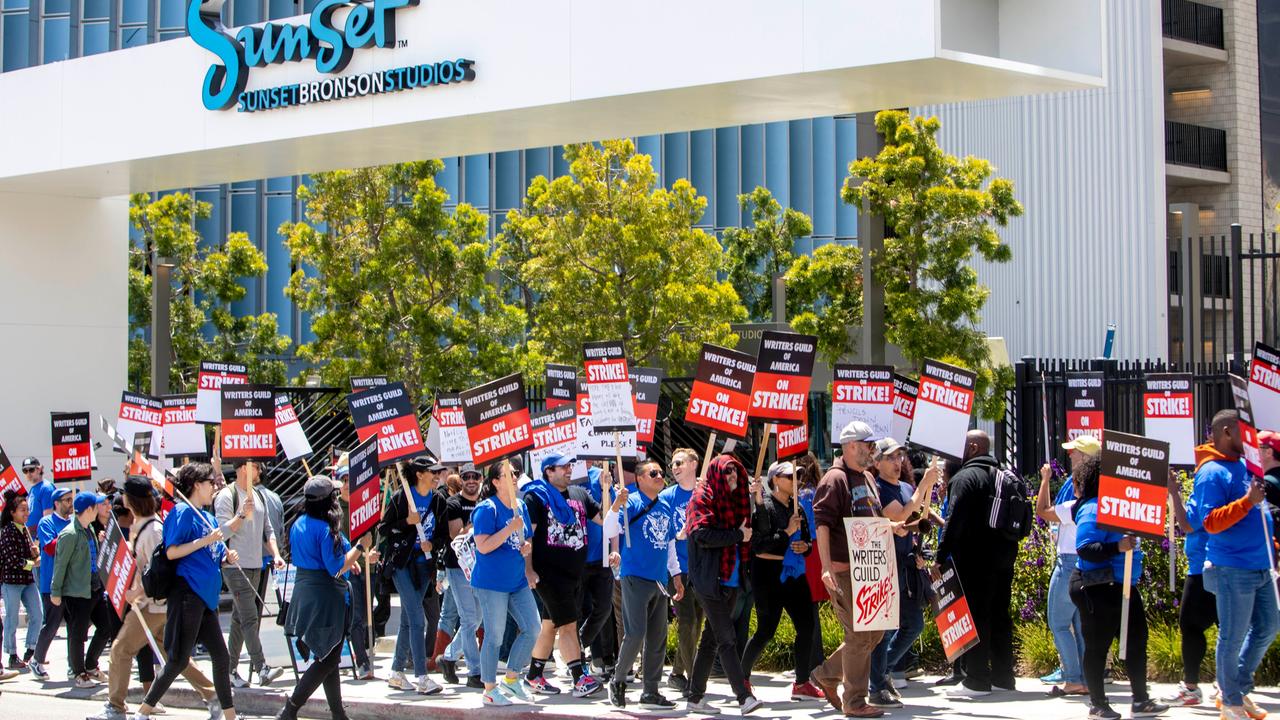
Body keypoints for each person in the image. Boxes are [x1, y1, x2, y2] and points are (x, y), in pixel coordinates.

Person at [89, 476, 221, 720]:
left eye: (125, 494)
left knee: (120, 650)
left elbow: (159, 572)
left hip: (153, 605)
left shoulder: (153, 530)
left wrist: (135, 592)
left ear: (132, 499)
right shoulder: (144, 525)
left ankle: (115, 707)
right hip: (154, 605)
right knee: (176, 657)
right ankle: (213, 696)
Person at [134, 462, 238, 720]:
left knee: (221, 658)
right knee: (178, 659)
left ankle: (231, 716)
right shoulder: (183, 511)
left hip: (206, 596)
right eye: (210, 483)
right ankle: (143, 711)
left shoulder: (209, 516)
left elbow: (209, 555)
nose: (214, 487)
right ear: (196, 485)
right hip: (187, 594)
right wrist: (206, 540)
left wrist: (226, 558)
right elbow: (172, 551)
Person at [1192, 409, 1279, 720]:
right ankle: (1230, 702)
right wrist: (1247, 502)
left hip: (1260, 565)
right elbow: (1210, 522)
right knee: (1232, 635)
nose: (1253, 439)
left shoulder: (1244, 466)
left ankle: (1236, 690)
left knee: (1269, 626)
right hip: (1232, 567)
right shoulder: (1210, 472)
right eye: (1246, 431)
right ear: (1227, 432)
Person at [1070, 455, 1167, 720]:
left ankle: (1140, 700)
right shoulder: (1093, 508)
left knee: (1137, 642)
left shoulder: (1123, 508)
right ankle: (1097, 705)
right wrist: (1117, 547)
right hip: (1097, 587)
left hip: (1123, 585)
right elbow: (1086, 548)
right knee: (1097, 646)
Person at [276, 476, 379, 720]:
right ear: (328, 500)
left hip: (306, 593)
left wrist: (351, 557)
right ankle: (289, 710)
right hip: (324, 596)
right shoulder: (324, 528)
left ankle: (338, 713)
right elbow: (335, 567)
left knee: (329, 654)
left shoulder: (299, 522)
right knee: (327, 659)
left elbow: (342, 550)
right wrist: (361, 548)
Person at [811, 421, 889, 718]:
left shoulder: (867, 477)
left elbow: (874, 519)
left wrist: (895, 527)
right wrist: (826, 567)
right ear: (852, 445)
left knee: (875, 633)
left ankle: (827, 674)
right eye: (869, 445)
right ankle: (854, 701)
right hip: (845, 571)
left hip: (870, 570)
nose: (873, 450)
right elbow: (822, 526)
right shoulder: (835, 479)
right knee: (859, 636)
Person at [936, 430, 1018, 699]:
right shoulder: (1005, 475)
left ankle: (977, 680)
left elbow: (953, 521)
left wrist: (939, 557)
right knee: (1000, 615)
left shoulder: (965, 477)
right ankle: (1004, 677)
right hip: (1004, 558)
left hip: (974, 560)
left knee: (977, 617)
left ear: (972, 448)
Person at [522, 453, 612, 698]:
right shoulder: (536, 497)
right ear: (549, 471)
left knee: (550, 625)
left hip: (574, 573)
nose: (569, 470)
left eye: (569, 465)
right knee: (568, 625)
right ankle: (579, 677)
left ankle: (533, 675)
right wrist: (528, 569)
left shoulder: (580, 494)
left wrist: (608, 491)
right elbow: (527, 537)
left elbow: (604, 519)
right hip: (548, 574)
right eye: (563, 467)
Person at [683, 453, 762, 715]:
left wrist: (756, 502)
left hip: (731, 580)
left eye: (735, 472)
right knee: (727, 639)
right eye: (727, 472)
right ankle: (744, 697)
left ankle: (694, 698)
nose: (732, 477)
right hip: (709, 580)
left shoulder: (736, 500)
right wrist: (738, 534)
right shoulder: (701, 498)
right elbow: (703, 535)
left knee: (711, 641)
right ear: (716, 472)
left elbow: (751, 531)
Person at [603, 458, 683, 710]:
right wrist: (616, 504)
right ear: (639, 478)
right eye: (654, 473)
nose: (660, 476)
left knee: (658, 636)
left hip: (659, 580)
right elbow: (608, 529)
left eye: (661, 472)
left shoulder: (666, 506)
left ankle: (651, 690)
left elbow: (670, 545)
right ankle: (617, 681)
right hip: (635, 576)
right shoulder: (631, 501)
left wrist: (677, 575)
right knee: (635, 633)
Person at [740, 460, 823, 701]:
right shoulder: (764, 505)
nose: (795, 481)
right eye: (789, 476)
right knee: (766, 630)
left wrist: (803, 546)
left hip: (794, 574)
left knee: (807, 626)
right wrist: (787, 533)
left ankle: (802, 682)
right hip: (768, 575)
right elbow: (759, 544)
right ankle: (742, 679)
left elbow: (807, 542)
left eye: (798, 476)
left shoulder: (797, 507)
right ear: (775, 479)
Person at [867, 438, 938, 708]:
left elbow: (913, 524)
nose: (897, 463)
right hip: (887, 563)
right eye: (891, 458)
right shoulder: (879, 489)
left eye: (900, 457)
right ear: (877, 463)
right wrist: (924, 485)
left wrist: (919, 549)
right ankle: (876, 685)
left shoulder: (907, 487)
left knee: (914, 624)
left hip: (907, 563)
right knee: (884, 629)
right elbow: (903, 514)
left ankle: (883, 670)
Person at [470, 460, 540, 706]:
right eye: (508, 474)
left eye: (516, 473)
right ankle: (489, 687)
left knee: (533, 628)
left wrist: (526, 550)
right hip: (491, 583)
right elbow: (483, 546)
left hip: (517, 581)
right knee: (495, 635)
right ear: (496, 481)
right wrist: (510, 528)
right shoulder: (486, 509)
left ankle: (511, 678)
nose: (514, 477)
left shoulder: (520, 505)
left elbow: (525, 542)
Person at [381, 455, 449, 695]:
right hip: (402, 566)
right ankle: (421, 676)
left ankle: (396, 672)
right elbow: (384, 529)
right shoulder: (402, 498)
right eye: (433, 471)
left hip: (425, 568)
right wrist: (407, 522)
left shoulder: (439, 500)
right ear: (419, 474)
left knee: (408, 621)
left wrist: (433, 543)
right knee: (418, 619)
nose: (438, 476)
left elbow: (443, 535)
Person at [1035, 434, 1097, 698]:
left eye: (1075, 452)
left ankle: (1073, 677)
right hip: (1083, 562)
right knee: (1077, 624)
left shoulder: (1079, 502)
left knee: (1058, 622)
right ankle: (1081, 678)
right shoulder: (1094, 497)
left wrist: (1045, 481)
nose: (1070, 455)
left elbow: (1043, 510)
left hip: (1070, 562)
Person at [214, 460, 285, 688]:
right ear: (244, 468)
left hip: (256, 566)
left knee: (239, 619)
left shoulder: (260, 496)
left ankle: (230, 671)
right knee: (250, 616)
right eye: (256, 466)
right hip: (235, 568)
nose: (260, 471)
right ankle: (261, 667)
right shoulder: (227, 496)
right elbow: (220, 533)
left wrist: (276, 554)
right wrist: (242, 514)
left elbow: (269, 531)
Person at [50, 491, 112, 688]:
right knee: (77, 634)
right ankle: (79, 673)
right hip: (77, 592)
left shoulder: (89, 530)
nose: (99, 509)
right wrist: (56, 592)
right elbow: (60, 565)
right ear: (88, 509)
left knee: (106, 627)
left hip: (94, 589)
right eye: (96, 506)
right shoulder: (69, 534)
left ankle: (91, 665)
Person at [1165, 464, 1214, 707]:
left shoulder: (1207, 482)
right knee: (1227, 628)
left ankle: (1192, 687)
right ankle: (1229, 684)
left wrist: (1173, 492)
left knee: (1190, 625)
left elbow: (1187, 523)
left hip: (1202, 568)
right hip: (1217, 564)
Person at [658, 448, 701, 695]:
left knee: (698, 622)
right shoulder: (666, 496)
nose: (674, 467)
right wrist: (677, 534)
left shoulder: (704, 492)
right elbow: (661, 530)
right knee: (687, 621)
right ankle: (694, 678)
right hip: (677, 568)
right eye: (672, 464)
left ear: (694, 464)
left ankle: (676, 674)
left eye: (680, 463)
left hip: (701, 567)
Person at [439, 463, 483, 688]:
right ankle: (475, 672)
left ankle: (448, 657)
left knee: (477, 618)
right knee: (467, 619)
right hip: (458, 567)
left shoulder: (485, 502)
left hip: (482, 568)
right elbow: (456, 535)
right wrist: (478, 521)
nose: (471, 480)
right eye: (467, 477)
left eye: (475, 476)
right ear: (461, 480)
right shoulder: (453, 503)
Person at [332, 457, 375, 680]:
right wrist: (352, 557)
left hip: (369, 568)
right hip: (348, 569)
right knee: (356, 616)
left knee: (369, 614)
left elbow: (374, 536)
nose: (348, 484)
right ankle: (362, 661)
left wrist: (375, 552)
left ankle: (365, 652)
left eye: (351, 479)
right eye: (344, 479)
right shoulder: (334, 510)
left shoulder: (366, 504)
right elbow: (333, 541)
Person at [578, 461, 618, 680]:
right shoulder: (563, 477)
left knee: (603, 608)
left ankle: (578, 647)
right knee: (580, 611)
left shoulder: (600, 475)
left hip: (600, 555)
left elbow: (611, 513)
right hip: (575, 557)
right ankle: (588, 660)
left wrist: (606, 489)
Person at [28, 486, 72, 679]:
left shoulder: (73, 522)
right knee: (52, 624)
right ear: (56, 503)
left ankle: (75, 665)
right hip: (51, 583)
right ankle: (36, 659)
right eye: (66, 500)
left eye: (71, 499)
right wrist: (71, 536)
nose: (70, 504)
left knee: (77, 625)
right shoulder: (46, 522)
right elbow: (50, 548)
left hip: (73, 583)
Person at [1, 489, 41, 671]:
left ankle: (31, 650)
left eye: (27, 509)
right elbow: (12, 560)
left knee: (38, 614)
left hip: (27, 580)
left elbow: (26, 557)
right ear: (12, 512)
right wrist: (33, 563)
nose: (26, 513)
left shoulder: (25, 530)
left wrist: (35, 552)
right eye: (22, 510)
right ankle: (12, 654)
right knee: (11, 619)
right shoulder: (7, 532)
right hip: (11, 581)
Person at [22, 458, 55, 531]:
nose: (28, 473)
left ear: (39, 469)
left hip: (41, 539)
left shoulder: (46, 488)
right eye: (25, 471)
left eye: (31, 470)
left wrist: (38, 539)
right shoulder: (33, 489)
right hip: (32, 537)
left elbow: (48, 520)